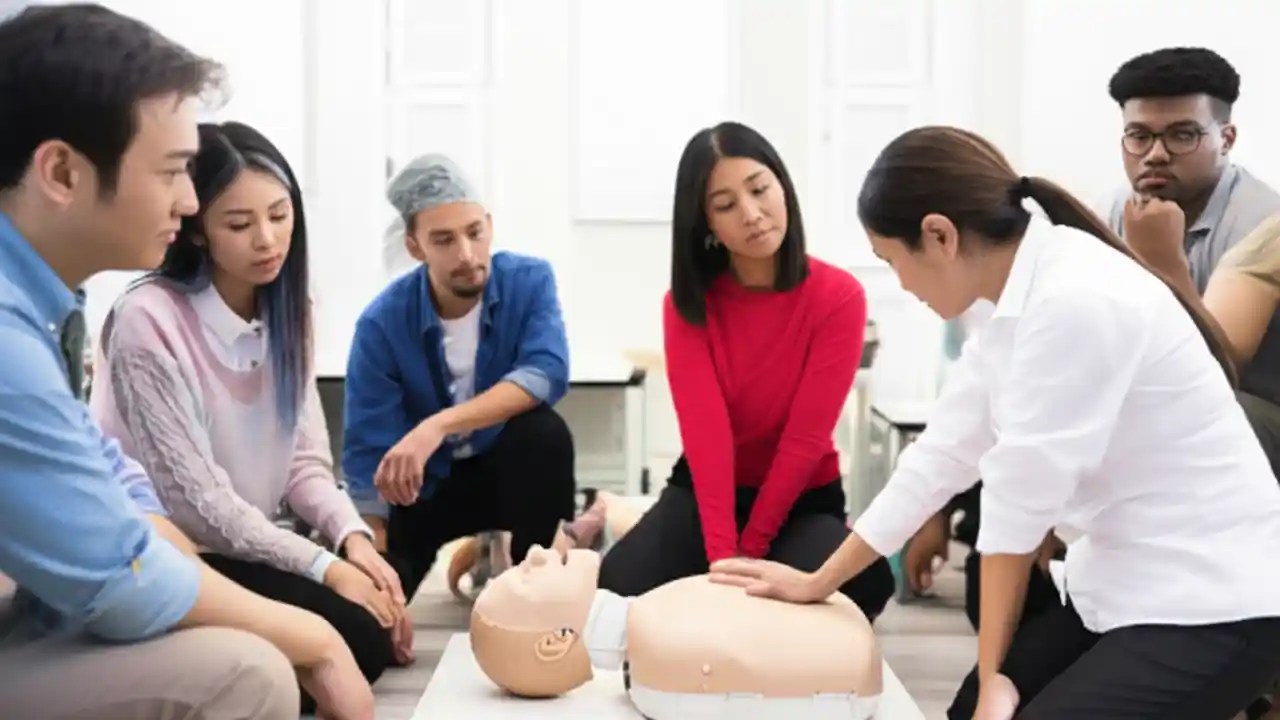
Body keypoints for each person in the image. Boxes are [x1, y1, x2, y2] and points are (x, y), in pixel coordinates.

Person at [709, 125, 1280, 720]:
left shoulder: (1075, 299)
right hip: (1126, 588)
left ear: (939, 235)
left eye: (892, 261)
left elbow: (1015, 515)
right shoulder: (1010, 305)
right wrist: (819, 580)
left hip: (1215, 606)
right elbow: (939, 457)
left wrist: (991, 681)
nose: (901, 283)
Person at [0, 5, 373, 719]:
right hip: (97, 586)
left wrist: (340, 551)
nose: (190, 199)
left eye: (279, 215)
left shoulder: (46, 303)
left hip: (89, 586)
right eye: (173, 171)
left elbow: (115, 482)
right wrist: (315, 633)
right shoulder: (58, 325)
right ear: (62, 172)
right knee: (253, 672)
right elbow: (121, 574)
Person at [90, 120, 412, 696]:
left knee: (381, 599)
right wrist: (325, 567)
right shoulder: (148, 320)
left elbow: (304, 465)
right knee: (356, 634)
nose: (267, 240)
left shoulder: (290, 309)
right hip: (175, 557)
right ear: (196, 231)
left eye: (279, 215)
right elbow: (200, 507)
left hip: (247, 545)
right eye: (239, 224)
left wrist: (354, 541)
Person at [596, 121, 895, 622]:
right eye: (725, 205)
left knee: (866, 583)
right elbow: (707, 435)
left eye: (759, 189)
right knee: (619, 585)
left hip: (800, 500)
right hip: (708, 493)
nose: (752, 214)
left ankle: (637, 522)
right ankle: (625, 520)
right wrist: (724, 560)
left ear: (782, 186)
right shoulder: (687, 305)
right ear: (706, 223)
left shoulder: (839, 296)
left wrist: (749, 553)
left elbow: (805, 439)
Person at [343, 152, 576, 603]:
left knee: (544, 435)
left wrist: (438, 425)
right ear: (415, 247)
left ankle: (531, 583)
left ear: (489, 225)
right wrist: (375, 566)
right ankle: (479, 550)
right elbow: (367, 454)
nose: (466, 254)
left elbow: (546, 372)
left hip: (505, 473)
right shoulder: (381, 324)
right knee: (372, 613)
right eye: (444, 240)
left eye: (474, 232)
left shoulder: (529, 281)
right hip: (426, 490)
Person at [1099, 46, 1280, 476]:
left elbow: (1214, 371)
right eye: (1139, 136)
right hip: (1166, 398)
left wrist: (1163, 265)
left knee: (1184, 410)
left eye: (1182, 135)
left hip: (1254, 411)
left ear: (1226, 139)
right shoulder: (1120, 207)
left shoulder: (1262, 221)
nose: (1155, 154)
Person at [470, 545, 884, 719]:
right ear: (555, 642)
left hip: (841, 636)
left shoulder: (654, 625)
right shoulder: (657, 648)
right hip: (844, 649)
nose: (535, 553)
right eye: (525, 577)